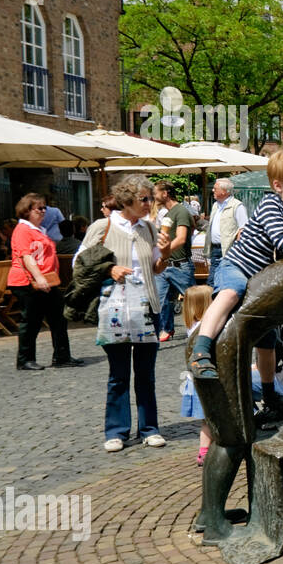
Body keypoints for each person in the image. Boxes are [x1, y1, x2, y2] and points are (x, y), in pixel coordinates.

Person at [189, 150, 283, 382]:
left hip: (260, 276)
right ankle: (201, 350)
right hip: (237, 266)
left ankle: (270, 395)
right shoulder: (271, 204)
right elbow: (281, 241)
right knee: (230, 292)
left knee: (268, 339)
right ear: (278, 186)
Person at [79, 176, 173, 452]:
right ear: (127, 200)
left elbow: (156, 267)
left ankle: (149, 428)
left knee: (146, 374)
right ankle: (116, 431)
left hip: (147, 307)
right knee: (118, 374)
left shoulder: (149, 228)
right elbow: (80, 261)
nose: (149, 204)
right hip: (115, 309)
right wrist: (109, 270)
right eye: (144, 199)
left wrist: (165, 255)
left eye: (151, 198)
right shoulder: (103, 227)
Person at [9, 193, 80, 371]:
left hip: (49, 280)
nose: (43, 211)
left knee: (58, 318)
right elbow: (25, 256)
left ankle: (62, 356)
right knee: (31, 321)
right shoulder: (23, 230)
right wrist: (39, 277)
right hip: (28, 282)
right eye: (39, 208)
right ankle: (25, 359)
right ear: (27, 211)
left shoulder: (38, 229)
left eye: (44, 208)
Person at [152, 181, 195, 342]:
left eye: (155, 192)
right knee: (161, 299)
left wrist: (164, 252)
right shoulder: (167, 213)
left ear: (165, 194)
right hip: (165, 265)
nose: (153, 196)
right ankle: (166, 329)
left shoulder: (181, 211)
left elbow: (182, 238)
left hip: (180, 265)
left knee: (192, 300)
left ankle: (201, 327)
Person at [179, 285, 214, 466]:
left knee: (206, 421)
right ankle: (207, 452)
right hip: (206, 381)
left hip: (194, 381)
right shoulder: (204, 329)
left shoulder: (192, 326)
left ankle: (204, 451)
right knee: (211, 420)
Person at [206, 178, 247, 289]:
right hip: (215, 249)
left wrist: (237, 249)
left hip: (229, 250)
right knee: (212, 281)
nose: (213, 190)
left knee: (226, 282)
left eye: (215, 189)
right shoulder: (215, 206)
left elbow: (243, 229)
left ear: (224, 191)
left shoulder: (237, 206)